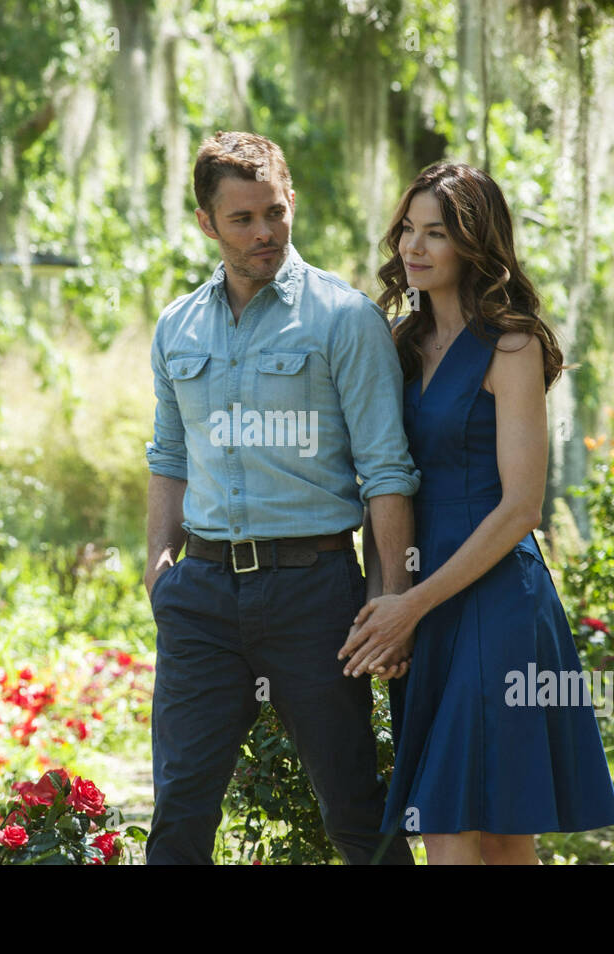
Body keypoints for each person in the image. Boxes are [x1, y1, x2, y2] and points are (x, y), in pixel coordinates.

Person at [143, 130, 420, 865]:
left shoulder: (343, 318)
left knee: (356, 810)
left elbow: (386, 471)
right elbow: (168, 455)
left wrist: (391, 598)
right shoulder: (178, 325)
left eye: (275, 211)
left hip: (314, 595)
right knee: (178, 812)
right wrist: (158, 563)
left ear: (291, 201)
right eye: (242, 219)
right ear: (206, 223)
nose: (264, 231)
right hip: (199, 595)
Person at [338, 161, 614, 865]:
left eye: (437, 233)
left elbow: (523, 506)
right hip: (423, 596)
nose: (414, 246)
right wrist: (391, 599)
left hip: (496, 598)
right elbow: (385, 482)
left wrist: (411, 604)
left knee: (453, 820)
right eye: (408, 228)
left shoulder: (513, 345)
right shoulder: (396, 345)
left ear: (475, 245)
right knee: (492, 827)